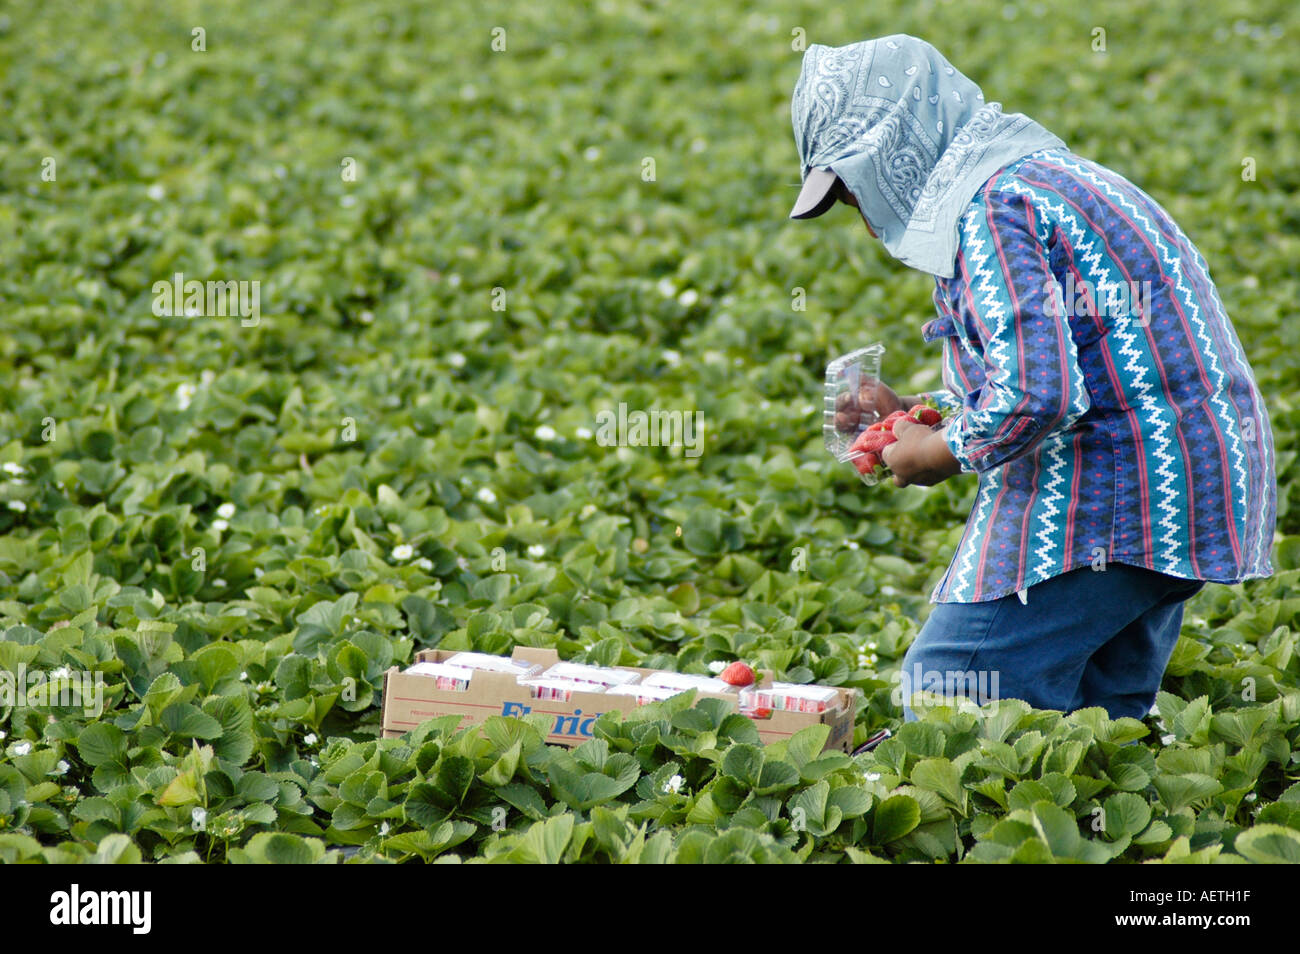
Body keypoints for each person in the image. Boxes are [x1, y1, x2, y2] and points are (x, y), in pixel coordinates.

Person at [788, 35, 1276, 722]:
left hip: (1115, 500)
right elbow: (1058, 368)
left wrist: (939, 453)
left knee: (953, 690)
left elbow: (1038, 396)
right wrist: (917, 413)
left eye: (855, 194)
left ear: (895, 150)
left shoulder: (994, 209)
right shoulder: (1042, 180)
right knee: (1094, 722)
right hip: (1190, 486)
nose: (868, 225)